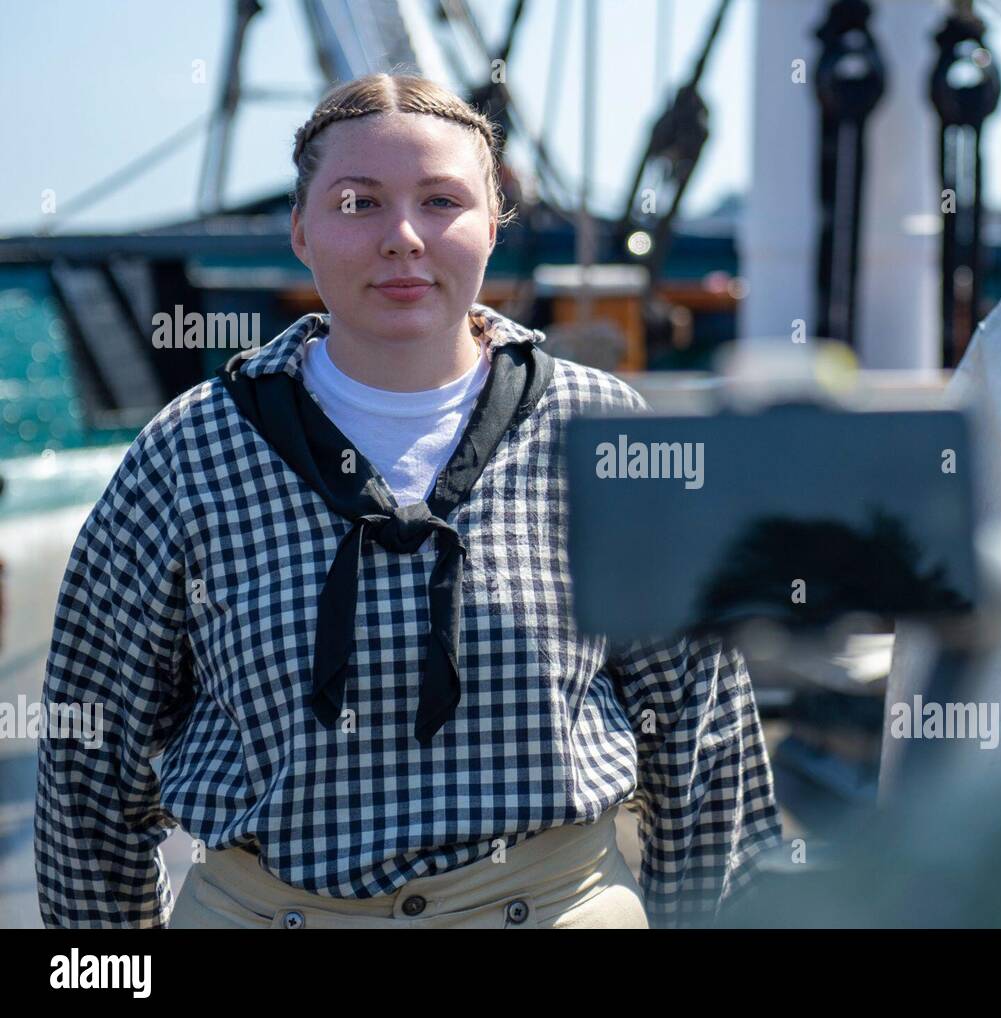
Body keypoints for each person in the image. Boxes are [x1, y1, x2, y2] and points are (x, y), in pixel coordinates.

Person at [33, 73, 783, 929]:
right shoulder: (187, 456)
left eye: (441, 201)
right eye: (358, 203)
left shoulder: (602, 435)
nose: (402, 237)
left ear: (493, 224)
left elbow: (704, 748)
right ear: (301, 231)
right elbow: (89, 767)